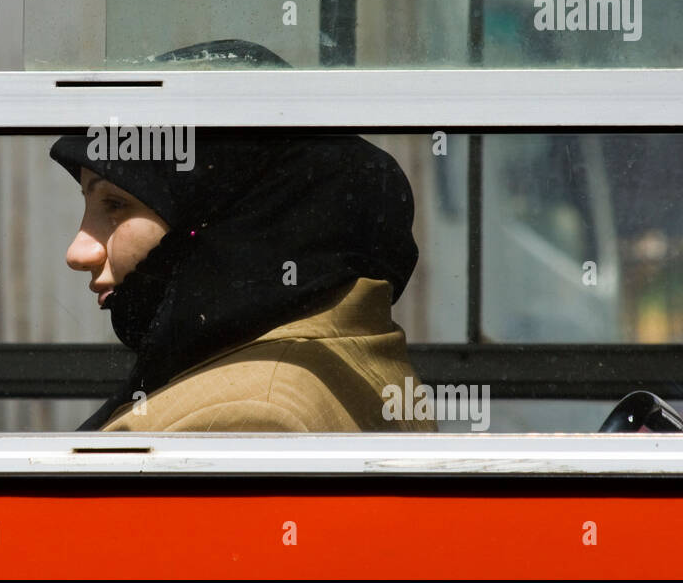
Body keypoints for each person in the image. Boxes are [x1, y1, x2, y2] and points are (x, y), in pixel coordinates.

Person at [50, 113, 433, 433]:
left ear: (225, 216)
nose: (77, 252)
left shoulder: (251, 416)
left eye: (115, 204)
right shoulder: (351, 364)